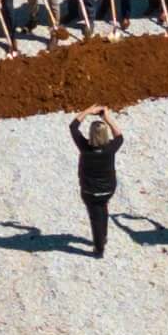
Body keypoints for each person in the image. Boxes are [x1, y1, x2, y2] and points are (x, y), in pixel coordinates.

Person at [71, 105, 123, 256]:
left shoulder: (84, 147)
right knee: (103, 208)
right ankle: (104, 237)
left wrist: (87, 111)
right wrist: (106, 117)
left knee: (95, 218)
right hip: (108, 190)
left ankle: (99, 248)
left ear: (91, 134)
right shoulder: (111, 148)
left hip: (89, 191)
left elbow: (73, 127)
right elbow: (119, 135)